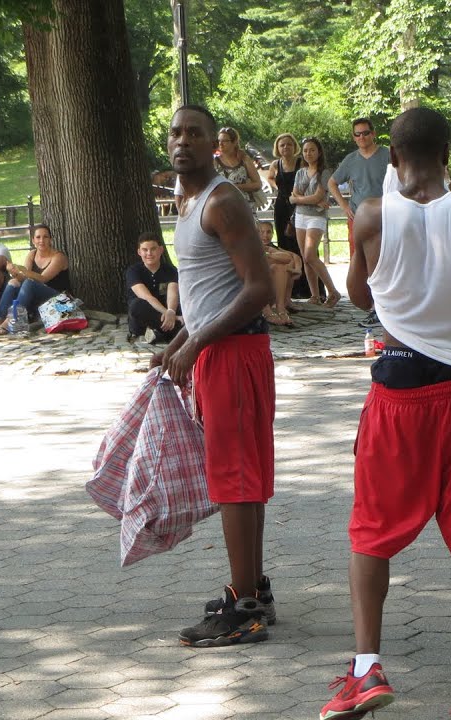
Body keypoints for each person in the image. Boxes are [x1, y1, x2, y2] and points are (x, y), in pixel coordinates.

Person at [320, 105, 451, 720]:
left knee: (371, 532)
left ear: (392, 154)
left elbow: (359, 294)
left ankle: (366, 669)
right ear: (448, 153)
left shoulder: (370, 216)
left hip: (396, 396)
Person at [158, 105, 278, 647]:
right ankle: (251, 589)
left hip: (234, 353)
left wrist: (198, 342)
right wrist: (178, 343)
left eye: (194, 133)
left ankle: (243, 607)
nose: (182, 141)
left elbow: (259, 289)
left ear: (215, 145)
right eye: (175, 133)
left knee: (235, 480)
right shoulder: (186, 202)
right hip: (216, 350)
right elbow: (210, 293)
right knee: (240, 479)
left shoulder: (222, 201)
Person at [329, 118, 391, 326]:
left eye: (365, 133)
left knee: (385, 260)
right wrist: (344, 206)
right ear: (353, 137)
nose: (362, 137)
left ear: (373, 133)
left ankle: (385, 306)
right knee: (360, 261)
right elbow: (332, 182)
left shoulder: (388, 155)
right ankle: (371, 306)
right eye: (358, 134)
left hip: (385, 215)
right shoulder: (351, 160)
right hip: (359, 218)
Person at [0, 224, 71, 336]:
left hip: (58, 301)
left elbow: (43, 278)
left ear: (50, 240)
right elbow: (23, 278)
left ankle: (10, 321)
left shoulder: (58, 257)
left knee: (29, 283)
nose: (41, 240)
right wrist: (14, 273)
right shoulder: (32, 254)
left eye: (45, 237)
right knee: (13, 283)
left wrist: (22, 270)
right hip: (37, 300)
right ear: (33, 240)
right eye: (38, 237)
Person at [292, 136, 341, 308]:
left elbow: (316, 196)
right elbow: (294, 195)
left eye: (312, 150)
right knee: (305, 258)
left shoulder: (324, 172)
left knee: (310, 254)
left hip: (316, 217)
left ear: (319, 152)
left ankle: (333, 292)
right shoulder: (300, 172)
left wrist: (301, 199)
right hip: (300, 216)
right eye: (305, 150)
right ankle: (315, 295)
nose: (308, 153)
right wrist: (311, 200)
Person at [267, 133, 309, 299]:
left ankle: (306, 288)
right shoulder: (275, 164)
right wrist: (277, 187)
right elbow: (270, 177)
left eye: (289, 144)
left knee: (302, 245)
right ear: (277, 148)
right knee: (284, 244)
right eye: (282, 145)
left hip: (299, 205)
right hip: (281, 206)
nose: (285, 147)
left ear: (294, 146)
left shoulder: (301, 162)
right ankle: (288, 289)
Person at [125, 232, 181, 344]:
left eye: (153, 249)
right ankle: (173, 331)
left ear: (161, 250)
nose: (149, 253)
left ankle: (161, 333)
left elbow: (173, 293)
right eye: (145, 250)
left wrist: (171, 310)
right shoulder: (133, 271)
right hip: (145, 315)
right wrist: (170, 314)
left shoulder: (170, 270)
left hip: (165, 313)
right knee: (136, 306)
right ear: (139, 252)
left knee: (185, 306)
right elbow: (147, 297)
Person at [258, 219, 301, 327]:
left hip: (271, 287)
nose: (265, 235)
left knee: (280, 267)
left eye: (268, 232)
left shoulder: (270, 247)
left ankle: (281, 307)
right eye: (261, 232)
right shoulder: (249, 246)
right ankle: (269, 310)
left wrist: (298, 269)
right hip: (255, 290)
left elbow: (291, 257)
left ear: (273, 233)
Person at [215, 127, 267, 215]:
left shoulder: (244, 159)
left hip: (245, 206)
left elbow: (257, 184)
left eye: (224, 141)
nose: (220, 144)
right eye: (219, 140)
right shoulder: (215, 162)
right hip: (223, 207)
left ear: (234, 142)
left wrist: (236, 187)